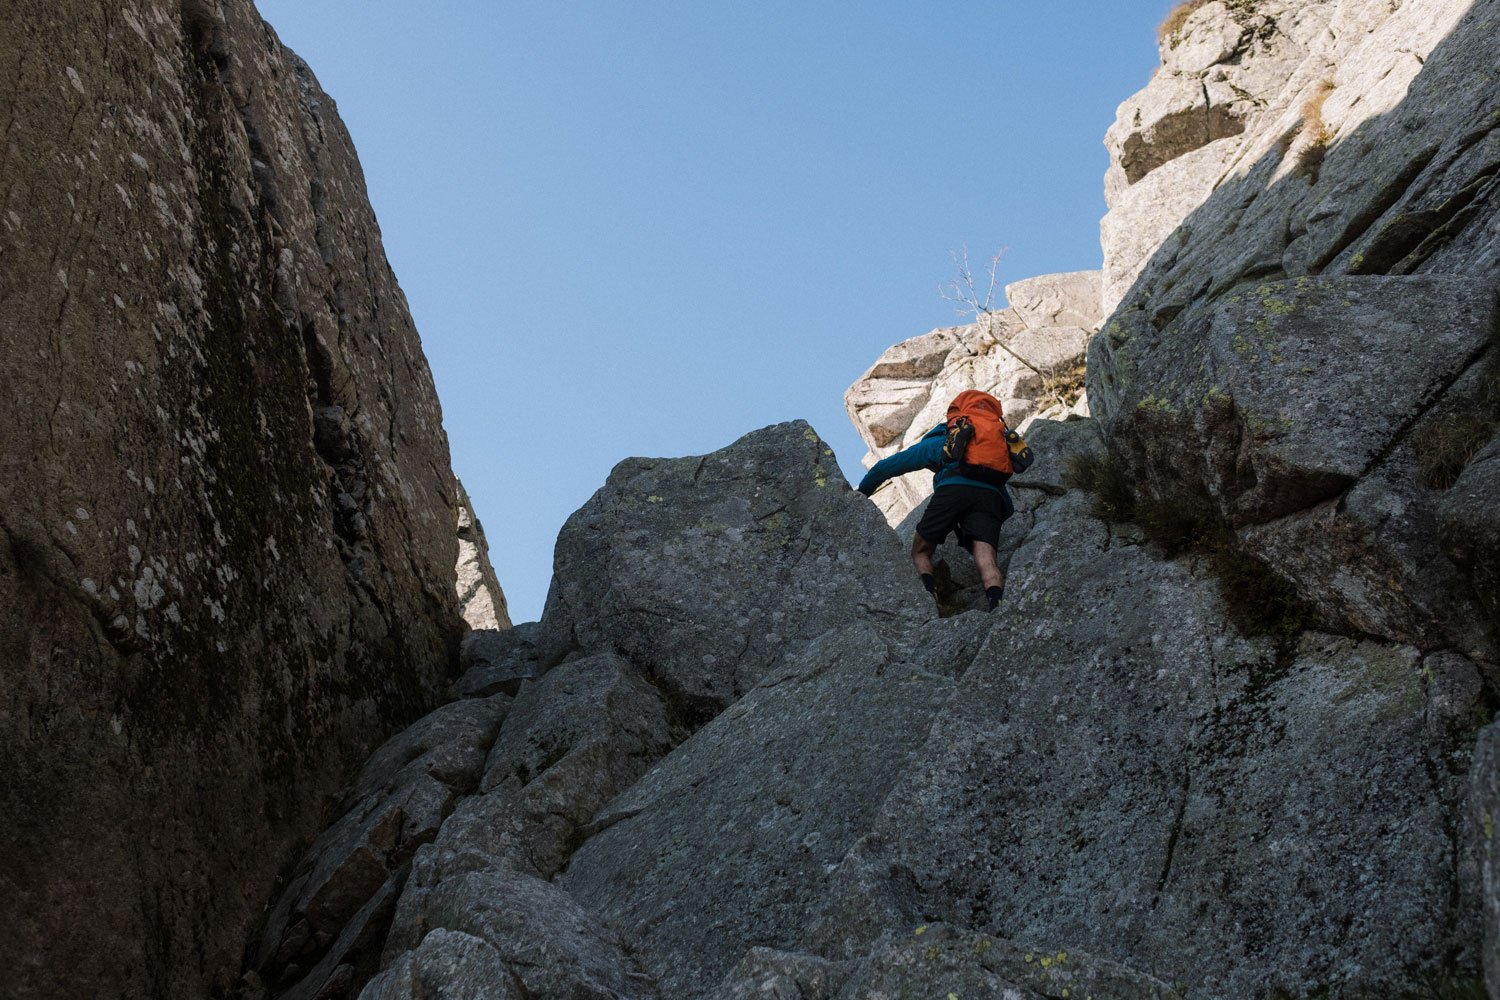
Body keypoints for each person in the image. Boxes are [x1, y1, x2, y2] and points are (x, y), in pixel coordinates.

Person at [857, 390, 1026, 611]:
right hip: (990, 497)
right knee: (987, 559)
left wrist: (861, 494)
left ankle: (931, 603)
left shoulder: (940, 442)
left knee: (921, 550)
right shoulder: (994, 448)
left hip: (952, 491)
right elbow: (1006, 502)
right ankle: (998, 607)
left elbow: (886, 468)